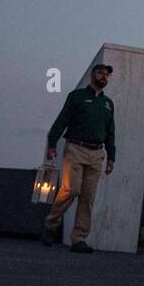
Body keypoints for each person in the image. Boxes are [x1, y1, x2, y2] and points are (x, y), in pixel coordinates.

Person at [42, 63, 116, 253]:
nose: (104, 77)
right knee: (71, 189)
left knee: (88, 197)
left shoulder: (108, 104)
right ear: (92, 75)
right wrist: (52, 144)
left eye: (107, 75)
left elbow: (110, 132)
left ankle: (79, 238)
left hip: (96, 153)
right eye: (100, 73)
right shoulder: (77, 97)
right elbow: (62, 120)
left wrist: (111, 156)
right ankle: (51, 223)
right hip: (75, 148)